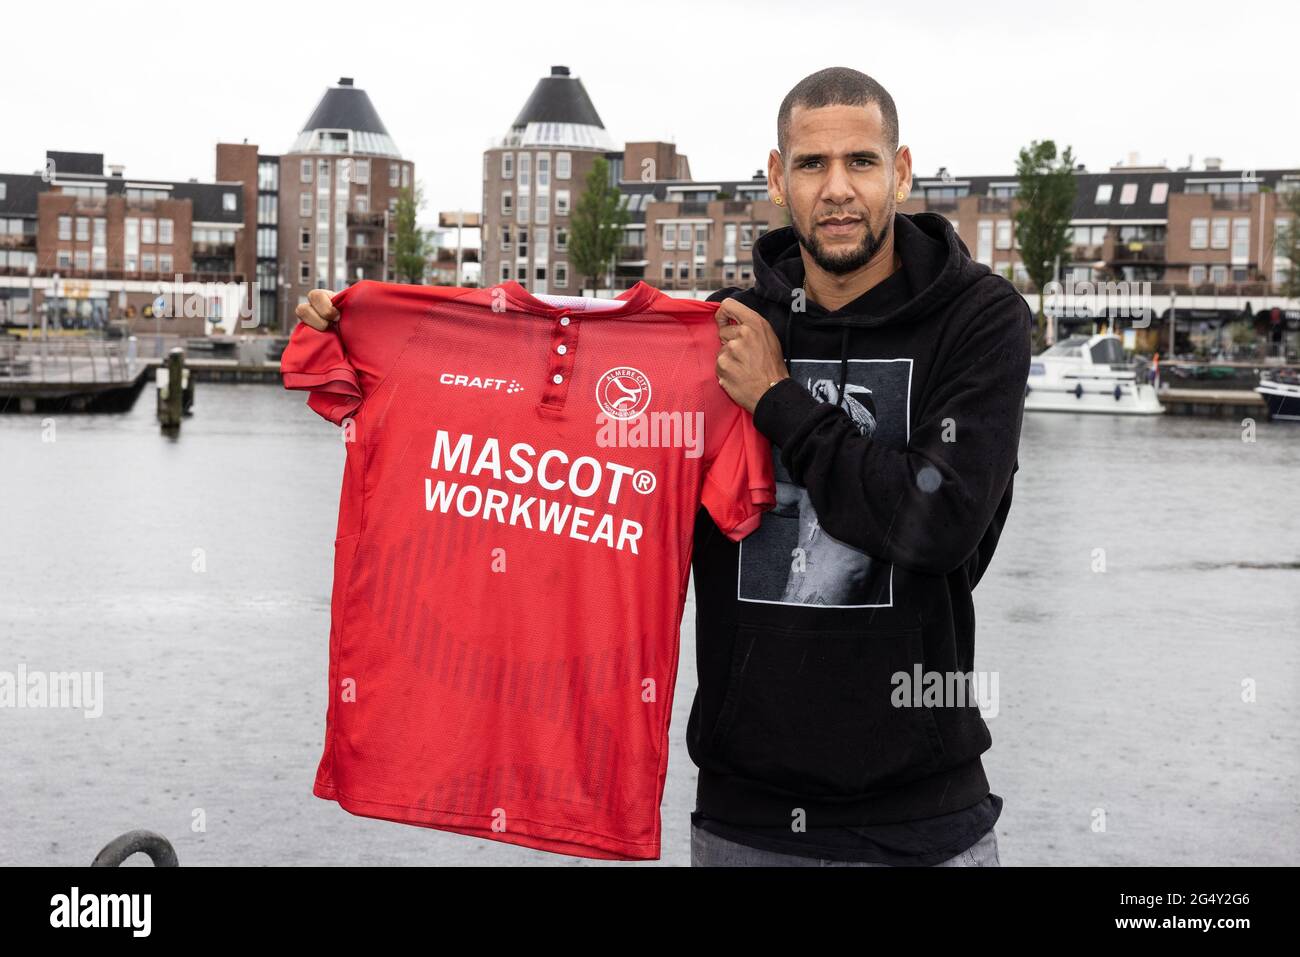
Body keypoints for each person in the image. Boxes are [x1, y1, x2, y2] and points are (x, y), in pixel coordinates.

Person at [293, 65, 1030, 868]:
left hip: (925, 815)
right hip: (745, 814)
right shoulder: (714, 333)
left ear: (903, 171)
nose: (838, 189)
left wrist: (778, 400)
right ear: (778, 178)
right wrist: (390, 354)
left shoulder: (979, 319)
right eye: (812, 165)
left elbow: (939, 523)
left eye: (861, 161)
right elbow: (572, 488)